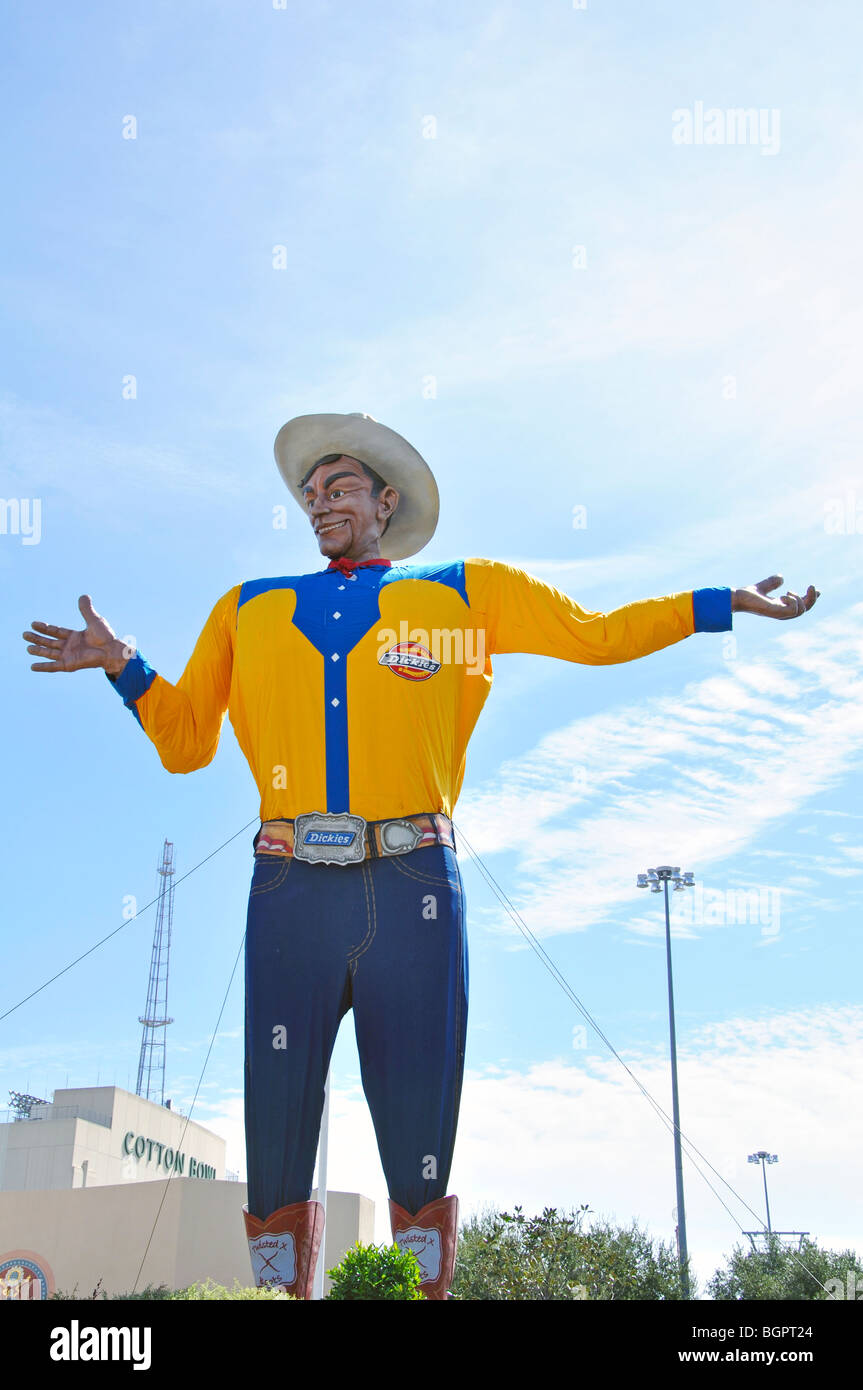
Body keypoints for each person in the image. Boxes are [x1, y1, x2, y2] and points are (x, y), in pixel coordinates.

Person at [23, 412, 819, 1300]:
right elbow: (184, 743)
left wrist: (717, 604)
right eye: (310, 493)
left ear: (385, 502)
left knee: (418, 1139)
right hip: (289, 888)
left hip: (413, 889)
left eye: (340, 487)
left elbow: (595, 635)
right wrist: (123, 664)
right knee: (277, 1136)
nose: (320, 503)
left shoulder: (460, 595)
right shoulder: (246, 607)